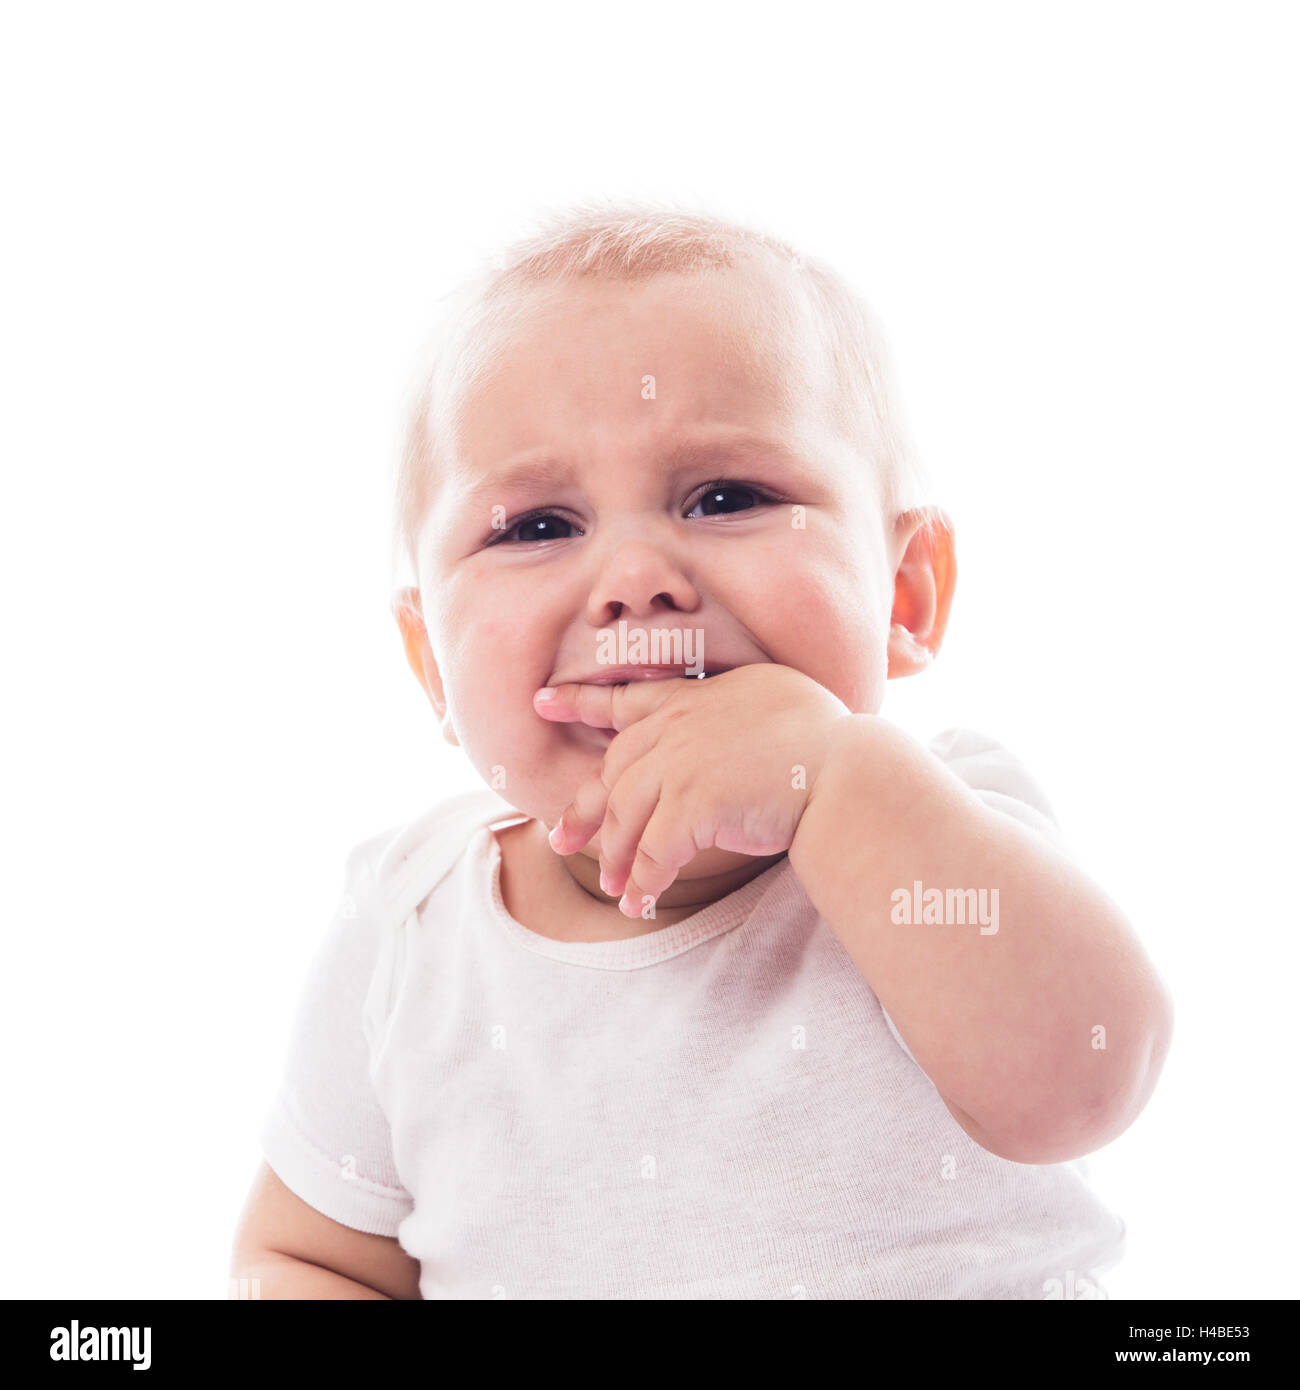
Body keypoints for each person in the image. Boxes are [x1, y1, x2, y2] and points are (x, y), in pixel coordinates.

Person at [230, 200, 1172, 1299]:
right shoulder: (411, 922)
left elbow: (1082, 1082)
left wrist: (835, 776)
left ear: (906, 594)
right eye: (535, 525)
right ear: (431, 663)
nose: (636, 578)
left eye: (728, 497)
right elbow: (304, 1254)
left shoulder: (936, 827)